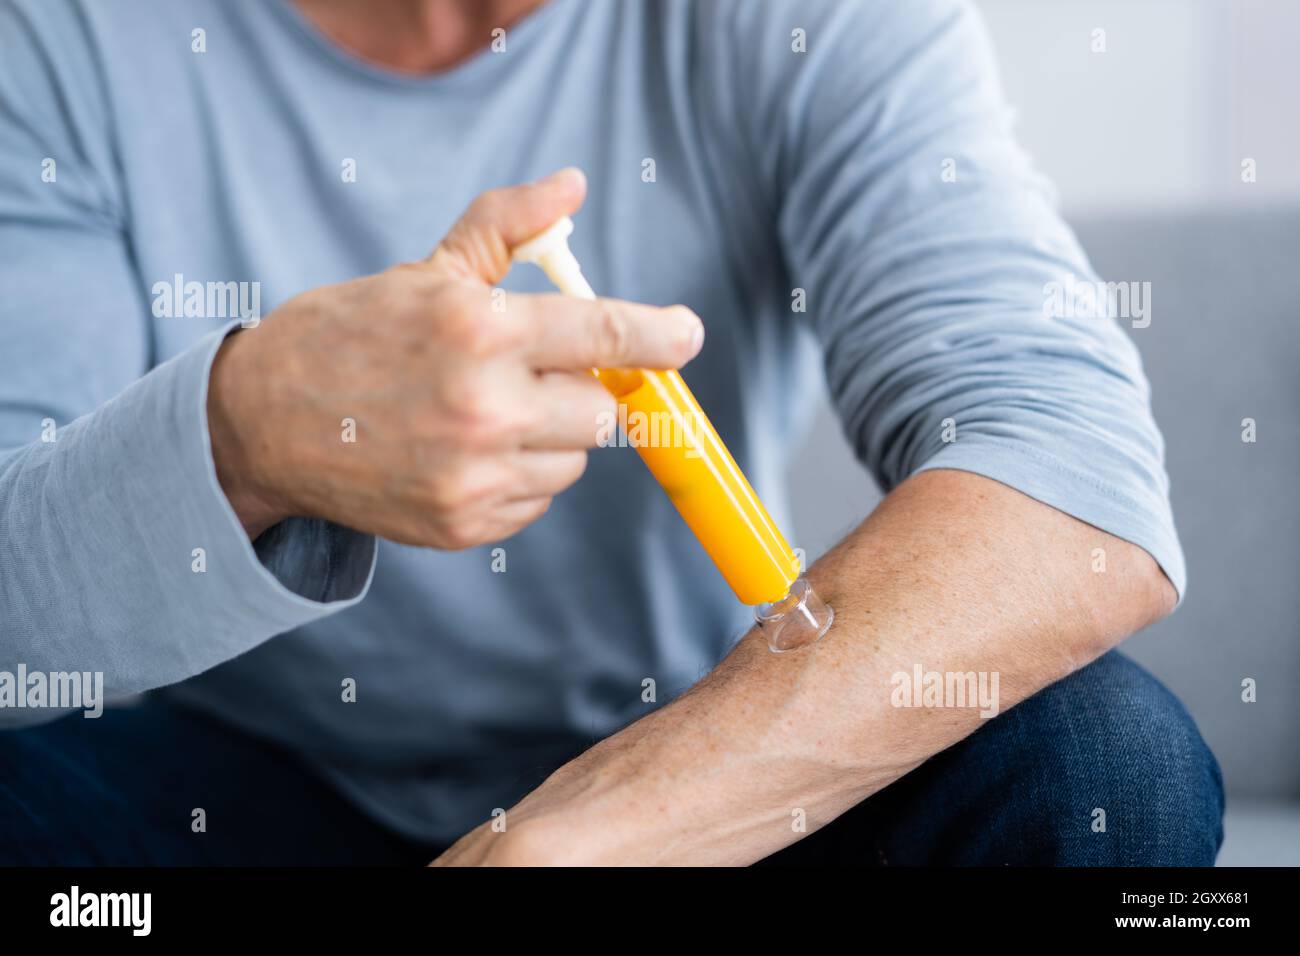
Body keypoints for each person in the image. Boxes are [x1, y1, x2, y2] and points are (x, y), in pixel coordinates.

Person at [0, 0, 1221, 865]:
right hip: (224, 788)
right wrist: (246, 433)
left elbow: (1070, 478)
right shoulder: (60, 36)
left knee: (1108, 763)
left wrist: (577, 838)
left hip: (699, 780)